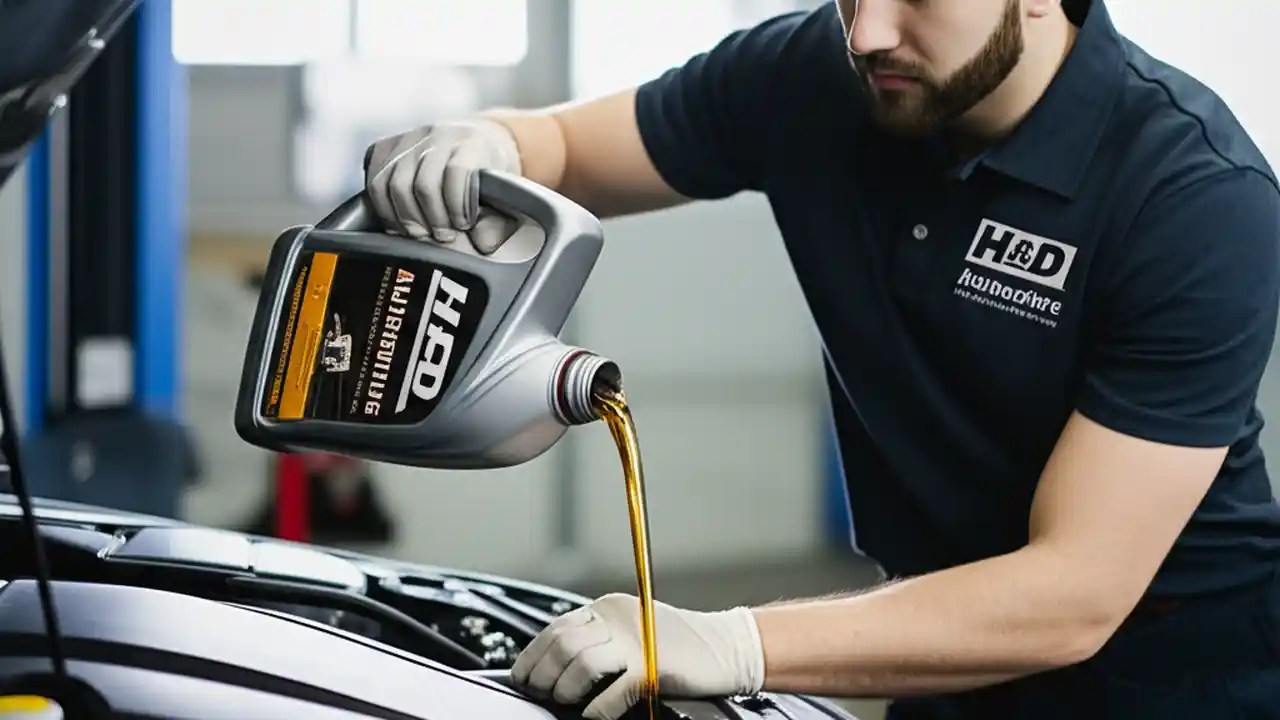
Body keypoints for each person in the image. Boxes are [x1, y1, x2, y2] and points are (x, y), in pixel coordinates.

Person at [363, 0, 1280, 718]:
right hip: (936, 669)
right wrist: (489, 141)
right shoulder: (817, 75)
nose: (868, 31)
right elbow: (564, 146)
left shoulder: (1195, 196)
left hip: (1174, 684)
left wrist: (734, 643)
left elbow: (1074, 593)